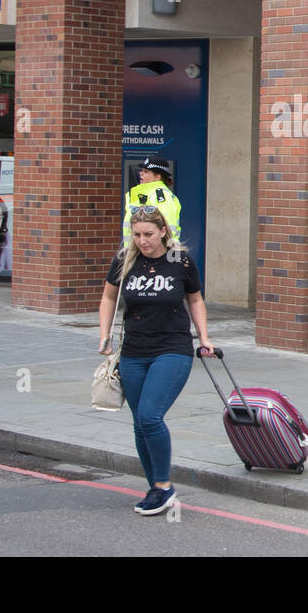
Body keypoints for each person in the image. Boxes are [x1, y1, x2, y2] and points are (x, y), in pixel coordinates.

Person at [100, 204, 212, 515]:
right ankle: (156, 489)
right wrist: (104, 334)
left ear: (163, 231)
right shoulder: (125, 260)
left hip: (172, 349)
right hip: (134, 351)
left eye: (148, 234)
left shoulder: (180, 260)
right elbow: (109, 296)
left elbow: (195, 299)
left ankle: (163, 487)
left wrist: (204, 338)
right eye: (136, 235)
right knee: (139, 424)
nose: (142, 241)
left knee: (150, 416)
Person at [122, 157, 181, 248]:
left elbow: (168, 228)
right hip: (134, 251)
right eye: (141, 170)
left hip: (153, 254)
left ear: (157, 177)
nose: (141, 173)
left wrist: (163, 255)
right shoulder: (137, 194)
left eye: (146, 172)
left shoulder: (161, 196)